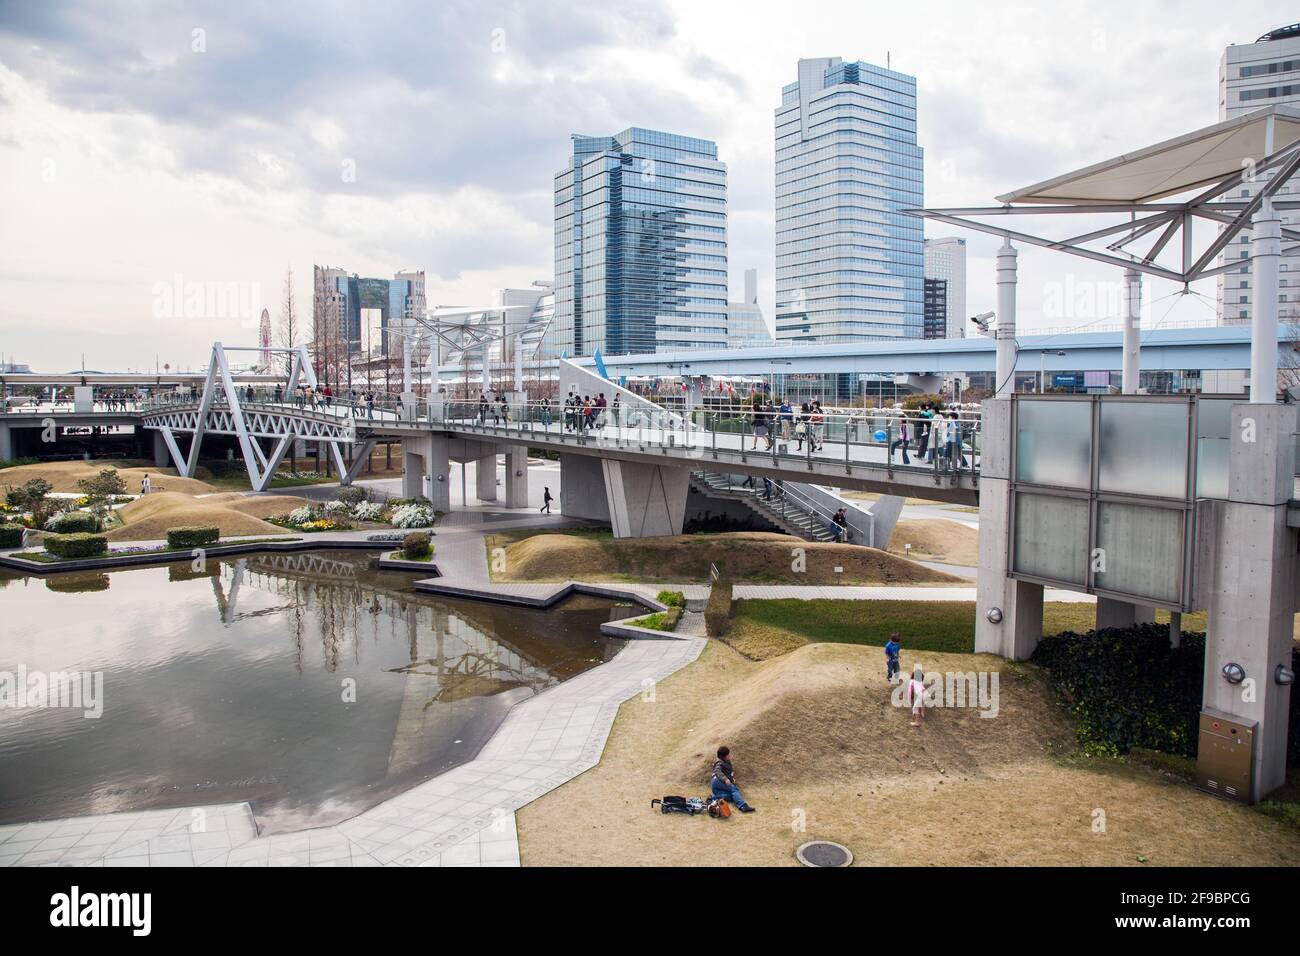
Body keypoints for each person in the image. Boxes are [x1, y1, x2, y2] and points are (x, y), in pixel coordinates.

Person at [710, 746, 755, 813]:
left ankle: (713, 798)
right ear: (723, 756)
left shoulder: (725, 761)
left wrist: (731, 779)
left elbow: (728, 773)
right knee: (733, 789)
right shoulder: (720, 763)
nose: (729, 755)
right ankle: (743, 806)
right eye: (728, 754)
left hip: (716, 787)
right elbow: (717, 771)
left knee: (732, 797)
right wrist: (725, 779)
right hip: (717, 780)